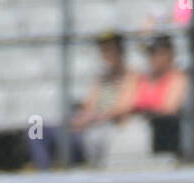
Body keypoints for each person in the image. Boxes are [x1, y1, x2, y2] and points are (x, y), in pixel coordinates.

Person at [29, 32, 138, 170]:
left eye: (110, 50)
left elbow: (124, 107)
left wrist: (94, 117)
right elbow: (88, 105)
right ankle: (44, 175)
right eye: (104, 50)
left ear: (120, 51)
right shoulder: (102, 78)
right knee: (36, 128)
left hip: (105, 129)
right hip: (85, 127)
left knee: (86, 138)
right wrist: (81, 119)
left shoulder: (131, 76)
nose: (106, 54)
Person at [116, 35, 189, 156]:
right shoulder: (137, 77)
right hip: (134, 128)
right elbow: (122, 107)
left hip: (161, 131)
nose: (153, 58)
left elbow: (169, 109)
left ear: (170, 54)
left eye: (157, 52)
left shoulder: (178, 78)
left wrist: (139, 110)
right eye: (150, 53)